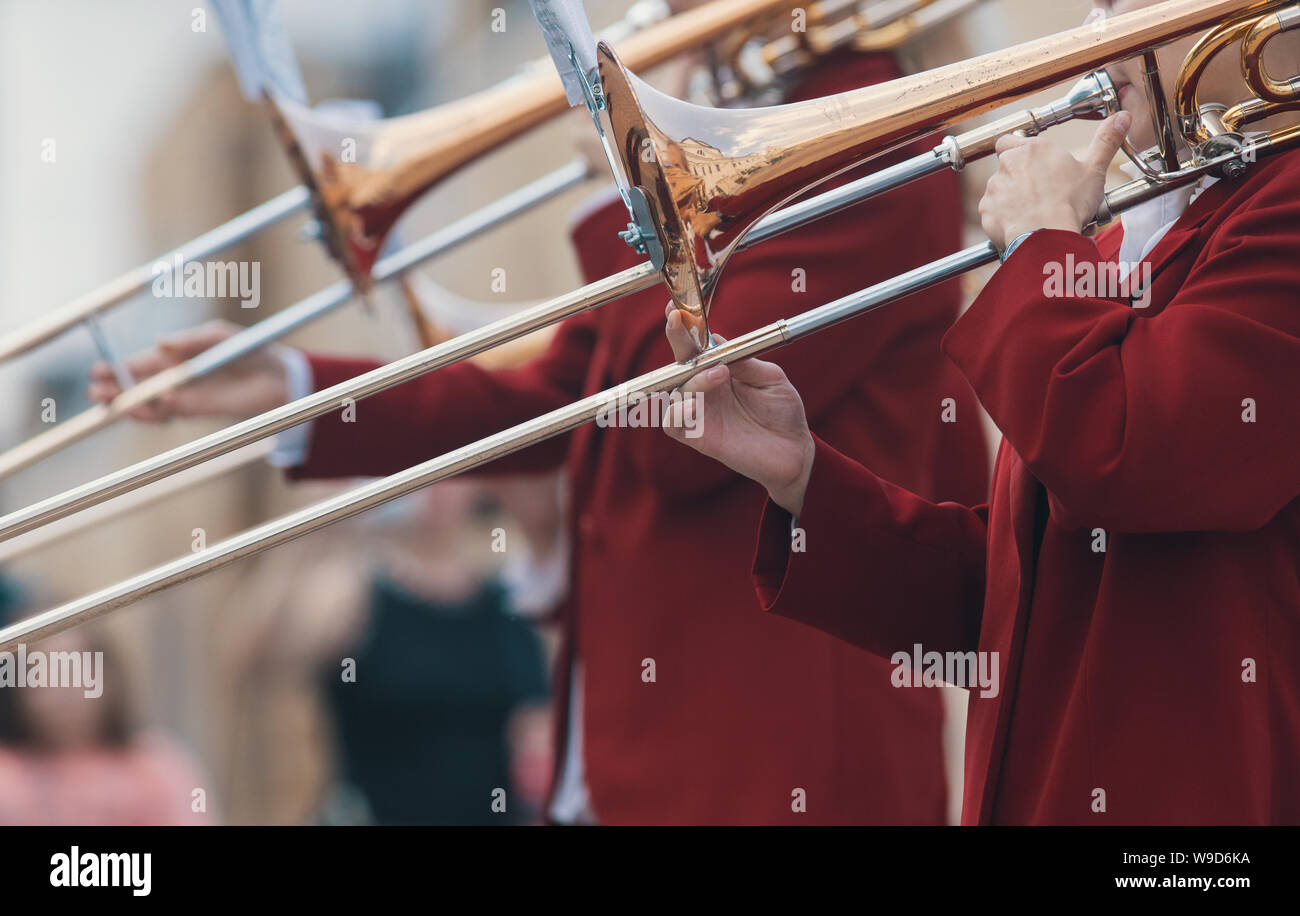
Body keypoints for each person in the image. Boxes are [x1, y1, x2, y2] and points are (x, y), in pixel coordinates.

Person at [90, 14, 989, 823]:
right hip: (638, 759)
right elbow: (556, 397)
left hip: (773, 764)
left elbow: (681, 427)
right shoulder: (728, 125)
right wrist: (289, 387)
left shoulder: (864, 128)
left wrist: (622, 200)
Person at [657, 0, 1300, 824]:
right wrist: (803, 477)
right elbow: (1026, 595)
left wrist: (1040, 247)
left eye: (1129, 1)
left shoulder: (1273, 216)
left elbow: (1124, 458)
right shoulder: (1113, 244)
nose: (1098, 28)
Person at [0, 578, 213, 825]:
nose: (64, 688)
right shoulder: (7, 777)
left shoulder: (158, 769)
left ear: (107, 673)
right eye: (41, 672)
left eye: (77, 667)